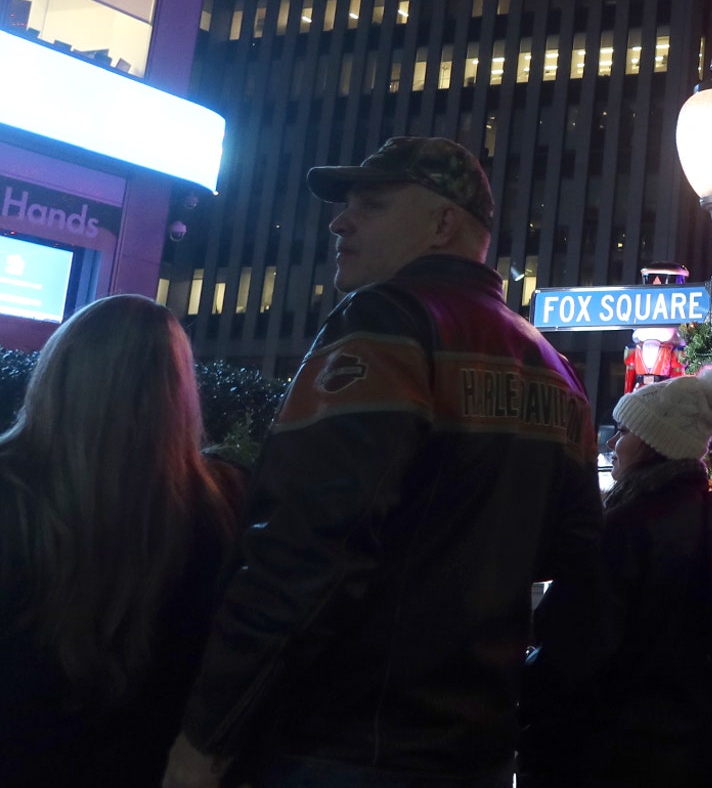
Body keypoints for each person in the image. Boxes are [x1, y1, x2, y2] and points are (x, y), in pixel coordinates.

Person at [163, 137, 602, 788]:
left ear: (443, 222)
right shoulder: (554, 368)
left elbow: (308, 548)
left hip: (345, 741)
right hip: (475, 750)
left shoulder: (386, 322)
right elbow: (572, 554)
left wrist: (208, 732)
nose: (341, 221)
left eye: (371, 204)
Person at [0, 296, 242, 787]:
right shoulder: (221, 505)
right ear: (178, 389)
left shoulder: (12, 489)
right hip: (147, 765)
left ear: (58, 369)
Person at [522, 363, 712, 788]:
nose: (613, 445)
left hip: (610, 755)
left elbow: (574, 645)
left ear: (648, 443)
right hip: (698, 753)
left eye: (623, 433)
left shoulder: (625, 527)